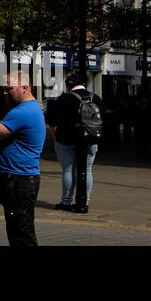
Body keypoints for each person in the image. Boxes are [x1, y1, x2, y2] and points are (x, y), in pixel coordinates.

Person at [0, 71, 45, 246]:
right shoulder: (32, 108)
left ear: (24, 88)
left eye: (9, 88)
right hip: (21, 178)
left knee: (21, 234)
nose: (4, 92)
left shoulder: (21, 112)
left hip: (18, 179)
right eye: (3, 88)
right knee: (20, 229)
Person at [48, 71, 102, 212]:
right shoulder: (95, 98)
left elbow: (52, 121)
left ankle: (66, 201)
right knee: (88, 169)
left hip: (66, 140)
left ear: (68, 86)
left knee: (68, 170)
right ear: (83, 84)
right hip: (91, 139)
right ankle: (85, 200)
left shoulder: (64, 99)